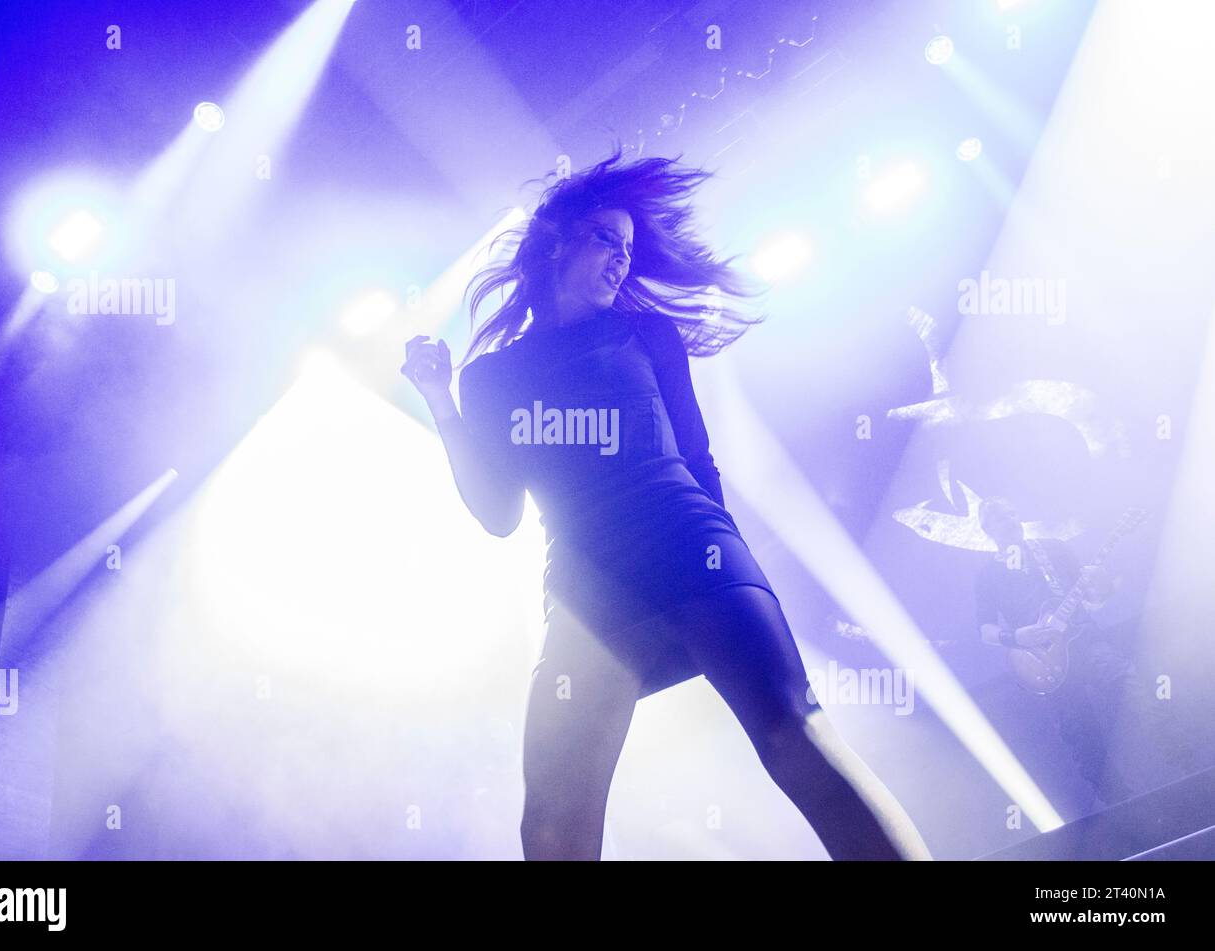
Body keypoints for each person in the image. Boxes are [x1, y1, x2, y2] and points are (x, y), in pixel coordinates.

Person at [400, 149, 931, 860]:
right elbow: (498, 515)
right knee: (552, 824)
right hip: (587, 592)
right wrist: (440, 402)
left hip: (689, 546)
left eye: (628, 247)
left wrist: (731, 572)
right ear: (556, 241)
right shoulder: (493, 377)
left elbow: (698, 458)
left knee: (792, 734)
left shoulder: (647, 334)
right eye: (605, 241)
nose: (621, 260)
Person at [975, 497, 1195, 805]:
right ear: (986, 529)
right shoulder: (987, 577)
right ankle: (1119, 806)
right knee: (1080, 733)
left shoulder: (1052, 548)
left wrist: (1102, 583)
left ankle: (1188, 763)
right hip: (1043, 660)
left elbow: (1094, 597)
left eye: (1011, 514)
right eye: (999, 518)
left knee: (1132, 688)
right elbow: (985, 632)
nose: (1009, 521)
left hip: (1086, 641)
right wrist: (1018, 636)